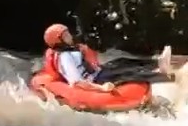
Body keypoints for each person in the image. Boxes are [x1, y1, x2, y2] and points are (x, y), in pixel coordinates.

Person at [38, 23, 175, 92]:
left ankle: (157, 62)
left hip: (97, 72)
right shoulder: (65, 57)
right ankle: (166, 77)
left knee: (122, 61)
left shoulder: (71, 50)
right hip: (94, 79)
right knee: (127, 74)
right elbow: (76, 82)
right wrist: (101, 89)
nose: (70, 36)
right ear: (59, 41)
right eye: (66, 35)